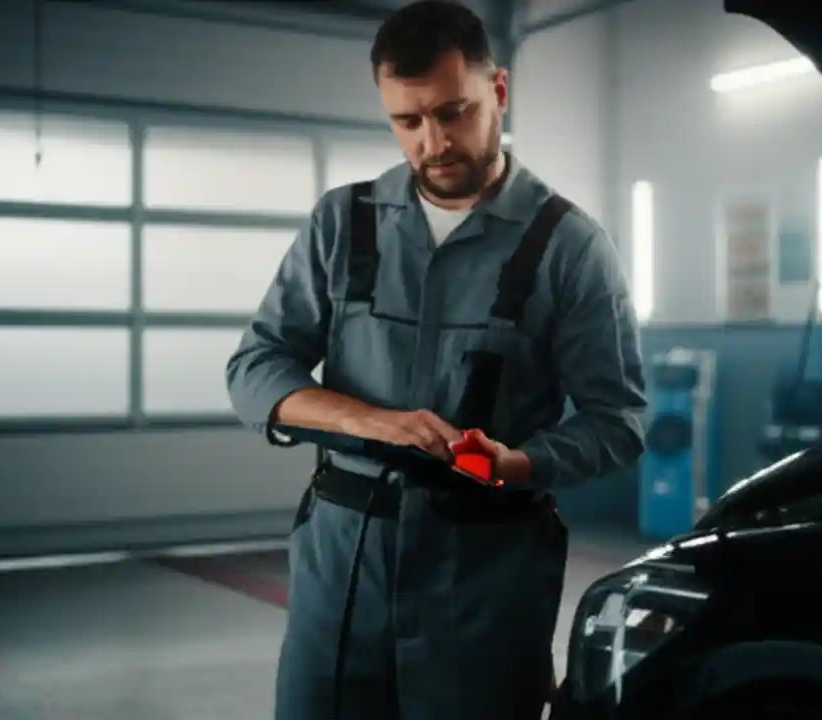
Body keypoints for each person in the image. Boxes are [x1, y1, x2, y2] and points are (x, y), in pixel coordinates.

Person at [226, 1, 646, 717]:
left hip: (484, 581)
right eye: (408, 121)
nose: (433, 141)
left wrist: (520, 463)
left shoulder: (570, 247)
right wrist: (372, 422)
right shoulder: (342, 221)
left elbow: (617, 421)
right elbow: (257, 367)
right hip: (340, 576)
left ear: (499, 92)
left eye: (455, 112)